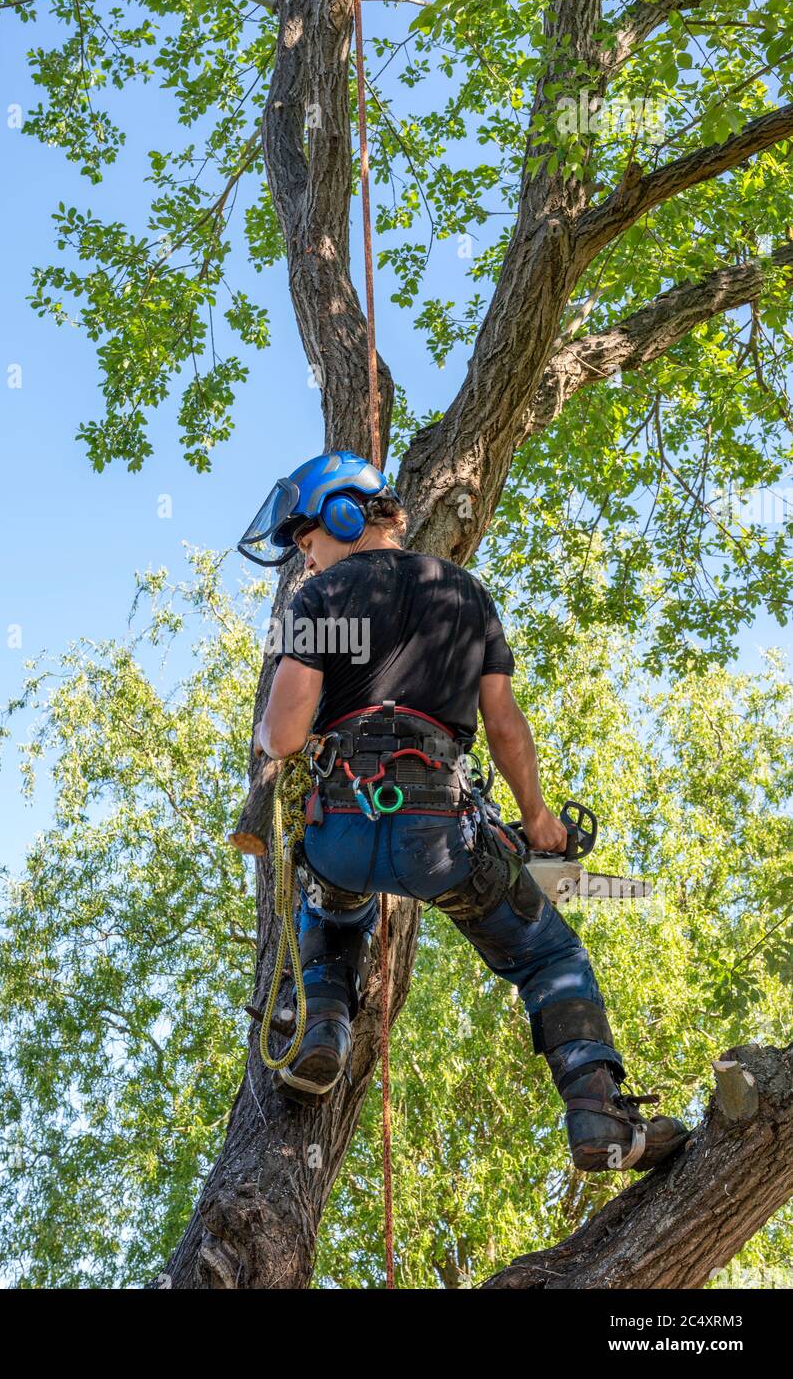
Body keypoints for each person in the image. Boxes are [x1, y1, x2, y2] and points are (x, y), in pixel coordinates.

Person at [238, 452, 689, 1172]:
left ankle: (322, 1029)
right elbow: (505, 725)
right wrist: (538, 821)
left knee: (328, 909)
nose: (303, 556)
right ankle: (598, 1114)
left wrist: (267, 732)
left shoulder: (317, 603)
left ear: (343, 515)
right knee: (549, 955)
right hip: (443, 838)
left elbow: (286, 737)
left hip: (342, 831)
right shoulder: (466, 594)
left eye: (305, 537)